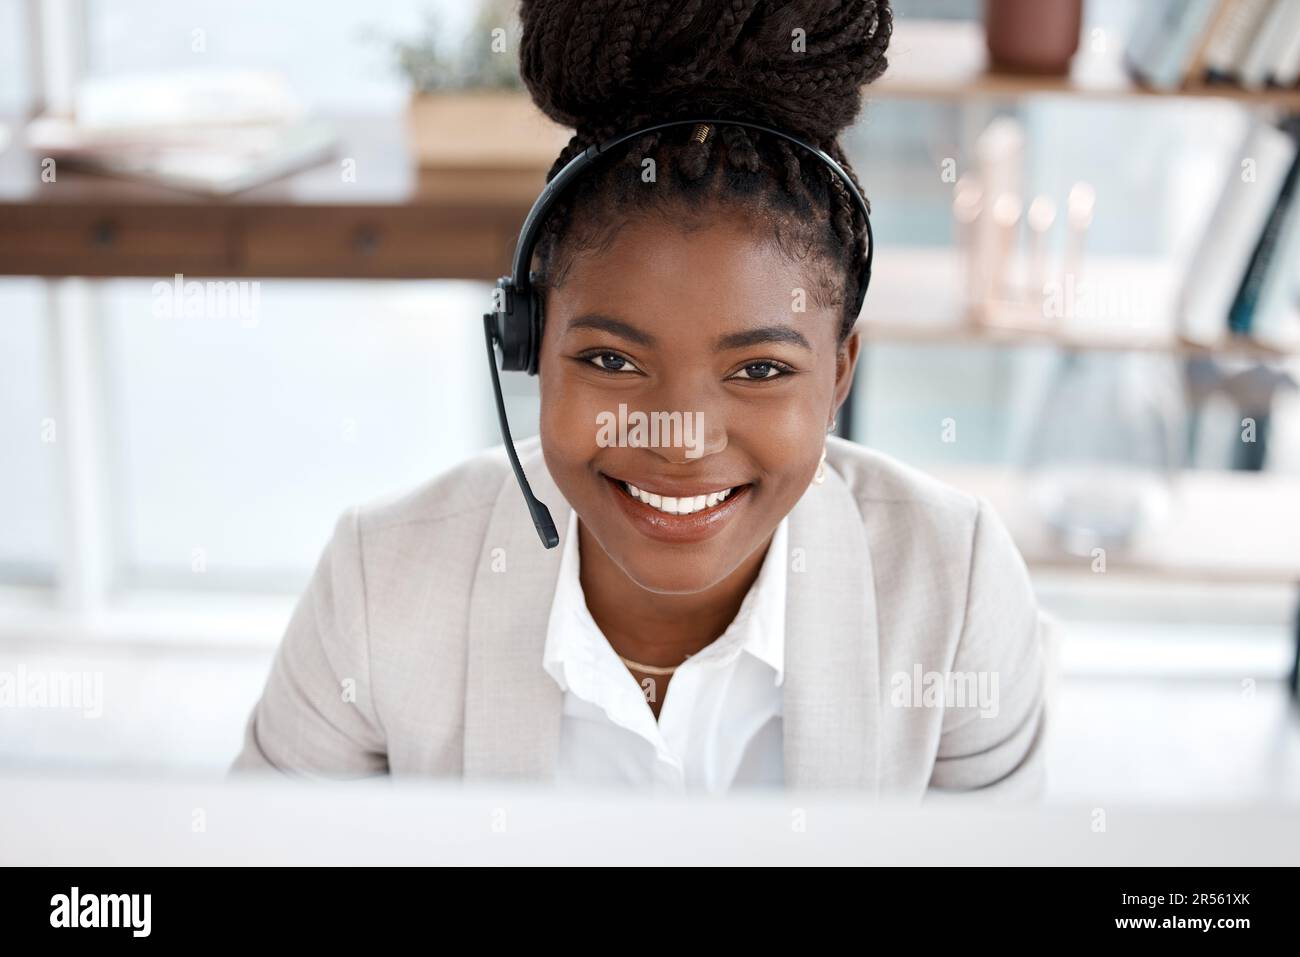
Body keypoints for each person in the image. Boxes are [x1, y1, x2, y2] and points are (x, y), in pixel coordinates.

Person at [232, 0, 1046, 798]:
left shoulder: (954, 585)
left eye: (759, 369)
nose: (683, 438)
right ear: (529, 348)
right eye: (613, 359)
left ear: (839, 374)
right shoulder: (381, 582)